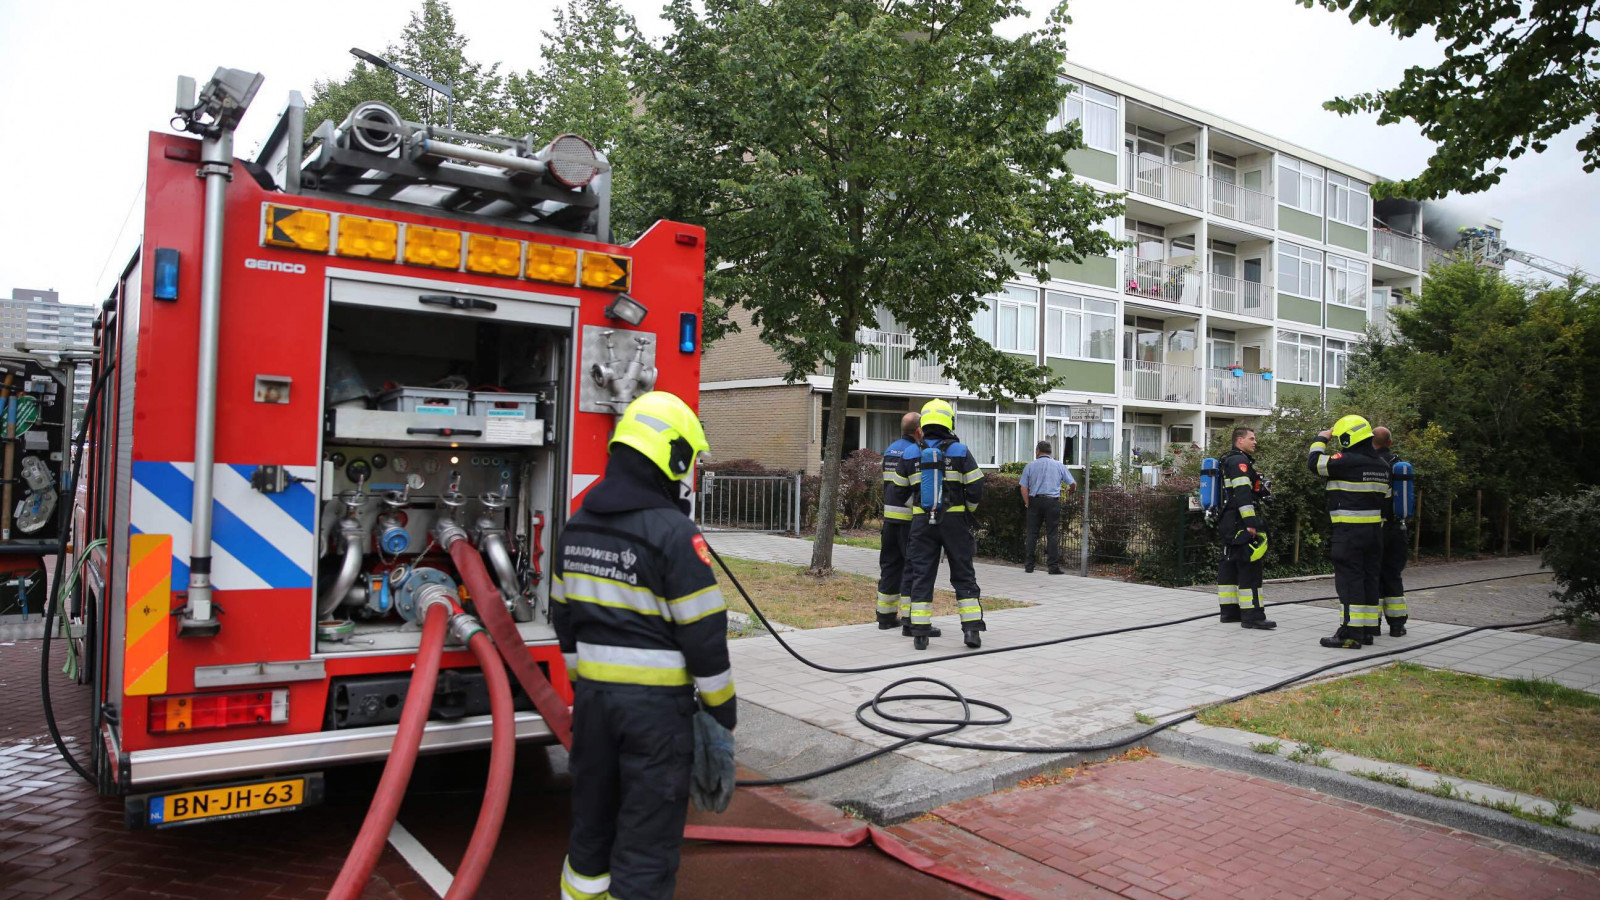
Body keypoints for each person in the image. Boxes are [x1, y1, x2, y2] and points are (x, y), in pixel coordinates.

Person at [552, 391, 735, 900]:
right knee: (646, 847)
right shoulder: (674, 534)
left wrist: (585, 685)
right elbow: (703, 634)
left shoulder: (578, 524)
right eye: (687, 463)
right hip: (654, 721)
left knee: (590, 836)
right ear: (672, 457)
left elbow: (562, 617)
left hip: (592, 708)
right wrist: (723, 713)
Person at [900, 398, 985, 650]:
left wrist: (917, 509)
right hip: (955, 522)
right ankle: (971, 632)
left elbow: (896, 491)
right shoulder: (960, 451)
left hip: (921, 524)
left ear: (924, 423)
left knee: (921, 575)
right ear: (949, 421)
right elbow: (977, 485)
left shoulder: (911, 452)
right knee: (963, 574)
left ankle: (920, 634)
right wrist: (968, 509)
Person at [1308, 415, 1391, 649]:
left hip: (1349, 532)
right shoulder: (1383, 466)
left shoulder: (1346, 461)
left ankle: (1350, 633)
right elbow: (1386, 502)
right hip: (1375, 533)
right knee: (1369, 579)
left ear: (1347, 437)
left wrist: (1321, 438)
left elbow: (1314, 462)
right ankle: (1366, 630)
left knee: (1349, 581)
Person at [1215, 426, 1275, 630]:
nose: (1255, 441)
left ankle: (1230, 612)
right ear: (1239, 441)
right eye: (1251, 438)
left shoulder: (1230, 460)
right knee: (1250, 566)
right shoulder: (1240, 462)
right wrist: (1251, 524)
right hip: (1240, 521)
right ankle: (1253, 616)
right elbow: (1242, 494)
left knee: (1229, 564)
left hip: (1228, 520)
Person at [876, 412, 922, 629]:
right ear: (918, 430)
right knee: (910, 568)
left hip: (889, 519)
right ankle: (910, 618)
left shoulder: (890, 450)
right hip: (908, 518)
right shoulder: (914, 452)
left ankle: (885, 617)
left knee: (890, 566)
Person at [1019, 440, 1076, 575]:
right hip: (1052, 502)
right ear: (1051, 452)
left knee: (1032, 534)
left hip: (1035, 501)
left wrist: (1027, 502)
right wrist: (1071, 491)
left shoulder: (1030, 466)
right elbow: (1073, 483)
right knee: (1052, 534)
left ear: (1038, 451)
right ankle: (1052, 567)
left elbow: (1023, 487)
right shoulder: (1059, 465)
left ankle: (1029, 565)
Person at [1373, 426, 1409, 637]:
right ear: (1390, 443)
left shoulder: (1371, 464)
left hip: (1375, 528)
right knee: (1393, 576)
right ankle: (1397, 626)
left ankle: (1374, 624)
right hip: (1397, 528)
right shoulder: (1398, 466)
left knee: (1374, 575)